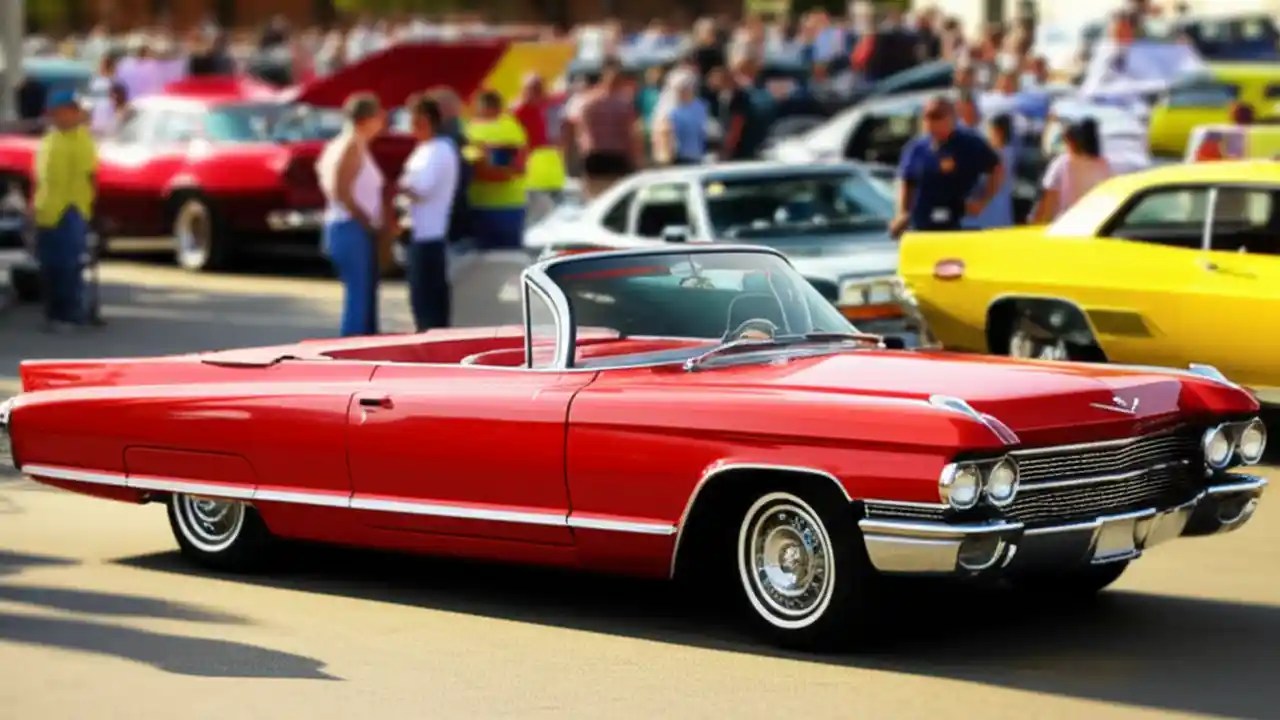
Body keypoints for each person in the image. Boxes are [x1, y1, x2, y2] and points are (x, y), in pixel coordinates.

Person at [316, 93, 387, 337]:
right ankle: (352, 349)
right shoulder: (350, 145)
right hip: (350, 226)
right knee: (358, 296)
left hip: (350, 226)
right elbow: (340, 190)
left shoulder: (351, 144)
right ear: (366, 118)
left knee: (363, 294)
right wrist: (366, 220)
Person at [33, 89, 97, 332]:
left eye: (70, 111)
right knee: (49, 266)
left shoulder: (82, 140)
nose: (64, 117)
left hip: (70, 211)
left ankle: (71, 314)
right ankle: (53, 314)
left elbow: (90, 177)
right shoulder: (50, 140)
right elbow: (41, 178)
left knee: (69, 266)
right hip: (46, 211)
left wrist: (85, 209)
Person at [892, 96, 1003, 235]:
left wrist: (983, 200)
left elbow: (996, 169)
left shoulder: (969, 144)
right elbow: (905, 180)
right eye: (927, 117)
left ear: (951, 117)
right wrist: (902, 213)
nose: (930, 122)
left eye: (937, 116)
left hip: (961, 221)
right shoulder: (916, 149)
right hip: (923, 223)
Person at [399, 94, 460, 332]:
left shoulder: (440, 150)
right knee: (419, 300)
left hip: (430, 236)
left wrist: (396, 186)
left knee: (429, 303)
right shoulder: (423, 149)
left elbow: (422, 189)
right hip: (416, 233)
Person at [566, 58, 642, 199]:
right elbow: (631, 135)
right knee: (617, 197)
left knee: (595, 197)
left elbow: (574, 130)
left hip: (594, 155)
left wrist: (571, 158)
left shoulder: (586, 101)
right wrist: (637, 161)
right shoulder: (624, 103)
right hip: (616, 155)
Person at [465, 90, 529, 251]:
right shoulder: (514, 127)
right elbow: (521, 166)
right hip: (512, 204)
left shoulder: (471, 130)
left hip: (482, 204)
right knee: (510, 260)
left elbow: (475, 168)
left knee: (484, 262)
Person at [1033, 118, 1111, 223]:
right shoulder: (1104, 165)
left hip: (1067, 226)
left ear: (1071, 141)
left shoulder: (1063, 163)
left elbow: (1048, 202)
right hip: (1095, 226)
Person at [511, 75, 565, 214]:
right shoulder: (518, 110)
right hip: (531, 166)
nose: (535, 93)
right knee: (535, 212)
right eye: (532, 89)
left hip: (553, 167)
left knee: (555, 210)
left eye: (538, 89)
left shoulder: (551, 104)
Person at [964, 114, 1016, 229]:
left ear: (998, 131)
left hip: (990, 211)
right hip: (1000, 209)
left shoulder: (998, 154)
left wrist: (982, 202)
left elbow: (997, 177)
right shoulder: (1008, 151)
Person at [720, 55, 773, 161]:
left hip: (741, 152)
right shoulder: (761, 91)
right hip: (758, 147)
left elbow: (737, 125)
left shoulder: (738, 95)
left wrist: (726, 152)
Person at [659, 73, 710, 166]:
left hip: (698, 157)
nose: (685, 91)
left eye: (688, 87)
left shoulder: (700, 106)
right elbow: (664, 135)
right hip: (677, 158)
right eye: (680, 88)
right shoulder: (668, 110)